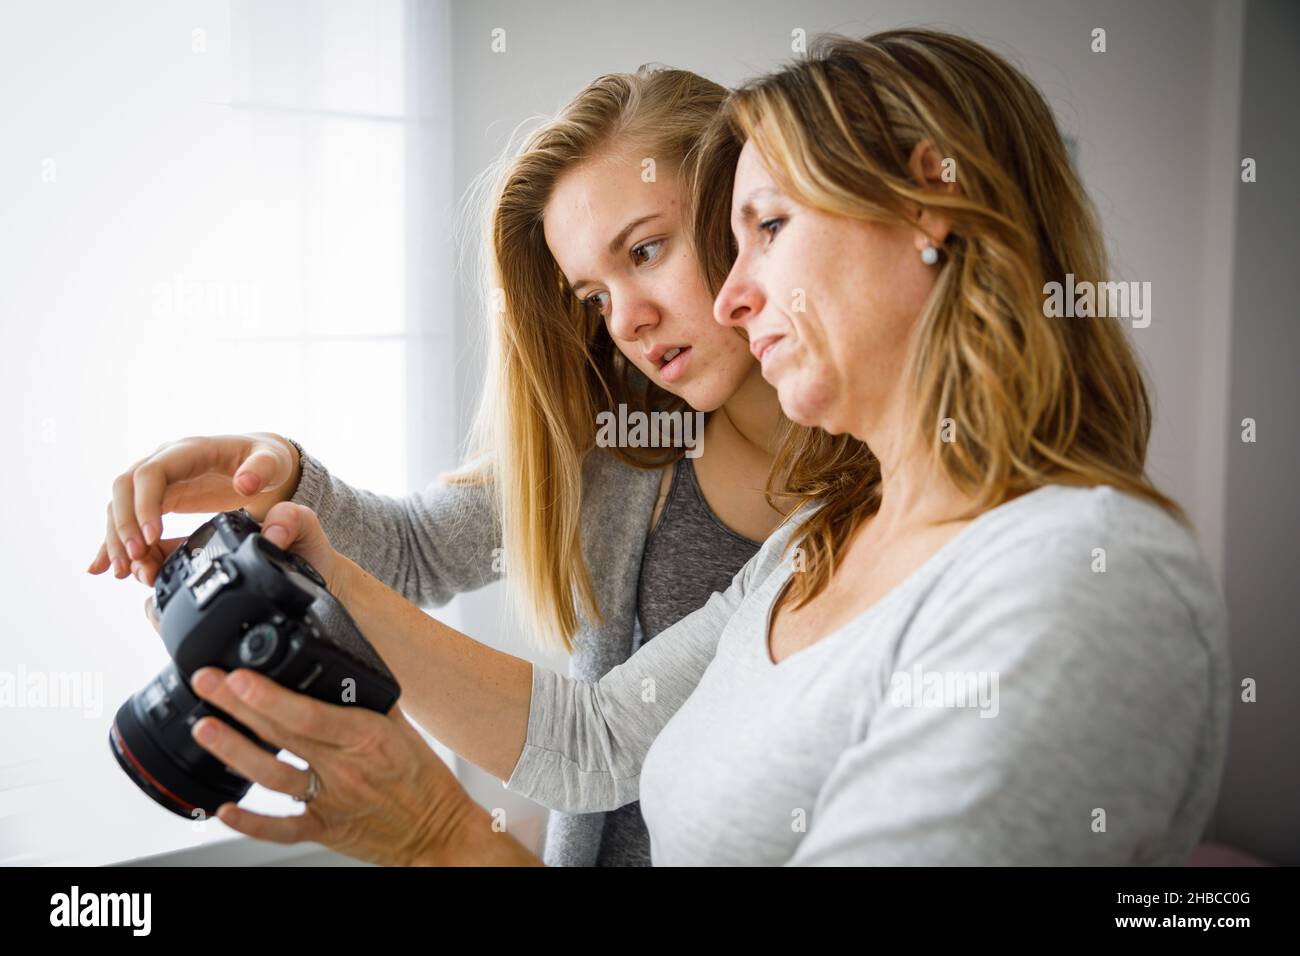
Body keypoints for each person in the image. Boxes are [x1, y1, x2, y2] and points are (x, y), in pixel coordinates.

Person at [126, 28, 1230, 866]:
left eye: (762, 228)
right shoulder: (816, 540)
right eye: (591, 294)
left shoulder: (1068, 571)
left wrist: (439, 832)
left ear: (928, 205)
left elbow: (594, 735)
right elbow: (589, 729)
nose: (730, 294)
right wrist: (300, 520)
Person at [88, 66, 797, 867]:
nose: (627, 321)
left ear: (745, 209)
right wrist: (285, 479)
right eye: (593, 296)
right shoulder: (636, 440)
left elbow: (597, 743)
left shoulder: (871, 512)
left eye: (646, 250)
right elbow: (421, 552)